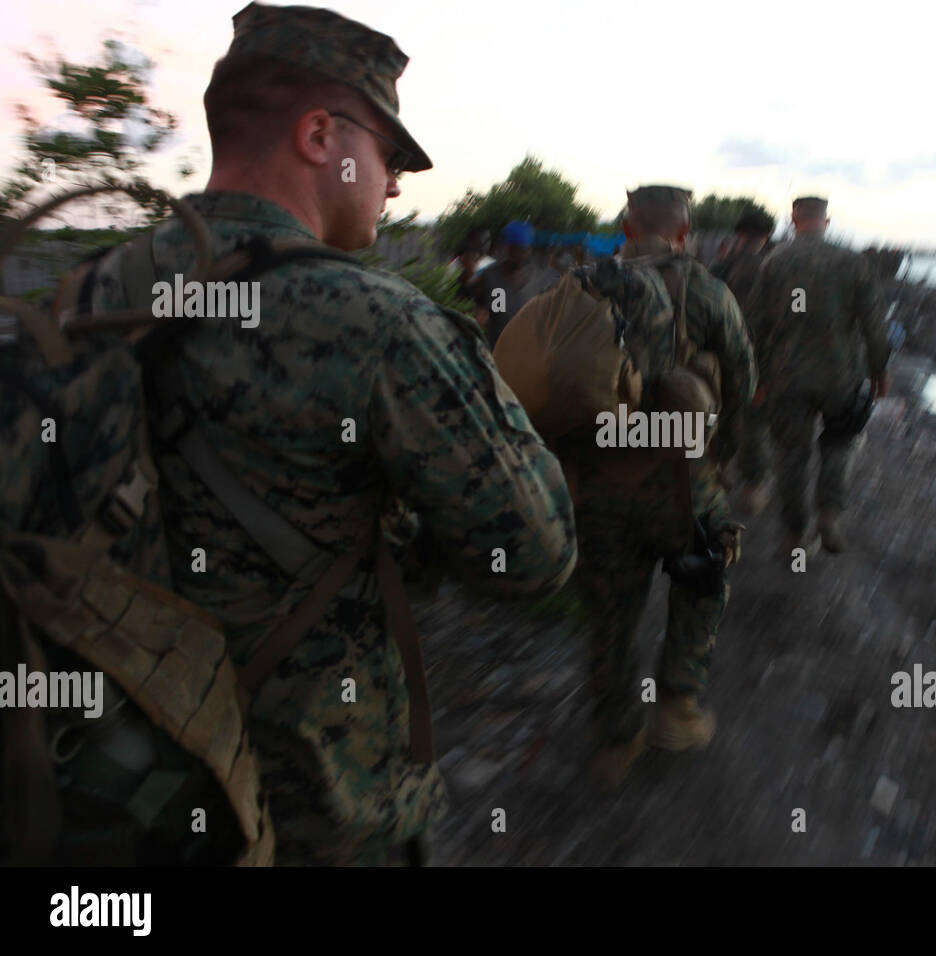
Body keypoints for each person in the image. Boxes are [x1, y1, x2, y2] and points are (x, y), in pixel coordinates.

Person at [72, 1, 577, 865]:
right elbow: (534, 556)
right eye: (387, 155)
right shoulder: (381, 321)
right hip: (311, 797)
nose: (393, 184)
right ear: (318, 136)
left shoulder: (91, 289)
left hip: (112, 771)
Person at [563, 185, 755, 788]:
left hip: (600, 486)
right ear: (684, 232)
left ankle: (617, 739)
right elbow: (742, 382)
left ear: (626, 225)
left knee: (610, 614)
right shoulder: (708, 292)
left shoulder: (582, 284)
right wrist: (723, 456)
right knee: (703, 577)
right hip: (683, 481)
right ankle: (677, 707)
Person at [746, 196, 890, 554]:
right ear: (826, 222)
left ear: (794, 220)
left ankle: (793, 534)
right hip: (841, 375)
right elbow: (874, 325)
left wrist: (758, 379)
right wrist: (879, 369)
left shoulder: (774, 263)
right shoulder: (853, 263)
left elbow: (755, 327)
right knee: (839, 444)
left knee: (791, 456)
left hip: (786, 377)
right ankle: (829, 513)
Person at [710, 207, 776, 513]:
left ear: (739, 234)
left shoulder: (722, 269)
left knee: (716, 420)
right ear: (767, 236)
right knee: (754, 429)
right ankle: (753, 489)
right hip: (760, 364)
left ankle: (713, 479)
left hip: (720, 360)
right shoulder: (774, 270)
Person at [473, 220, 558, 348]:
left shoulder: (538, 280)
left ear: (528, 250)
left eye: (521, 250)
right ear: (504, 248)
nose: (516, 255)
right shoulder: (489, 276)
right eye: (511, 249)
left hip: (528, 352)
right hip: (496, 351)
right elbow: (478, 307)